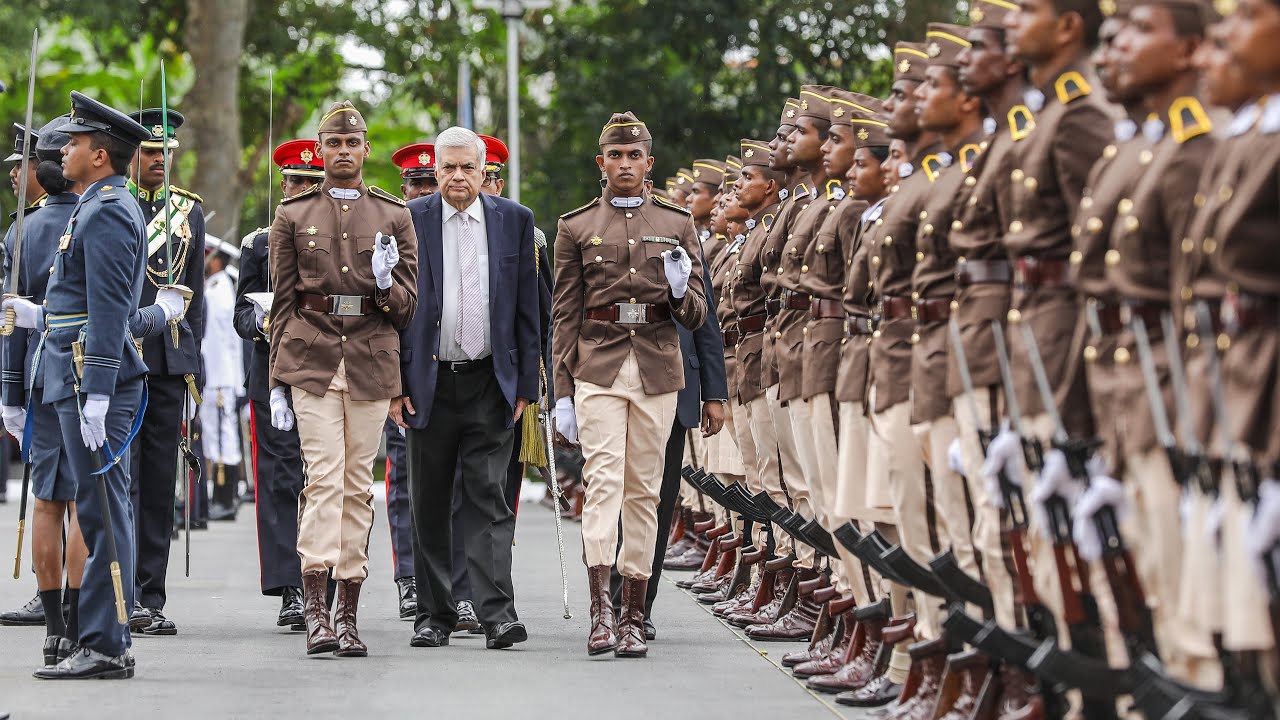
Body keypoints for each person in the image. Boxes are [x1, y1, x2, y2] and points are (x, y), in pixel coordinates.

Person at [5, 90, 154, 680]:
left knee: (102, 511)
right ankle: (100, 637)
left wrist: (97, 390)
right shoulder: (97, 205)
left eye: (74, 141)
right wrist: (38, 315)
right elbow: (79, 304)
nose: (62, 150)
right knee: (96, 510)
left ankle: (106, 643)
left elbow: (113, 311)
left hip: (93, 384)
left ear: (99, 155)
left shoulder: (110, 209)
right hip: (70, 374)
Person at [552, 111, 706, 659]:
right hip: (598, 364)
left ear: (648, 163)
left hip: (659, 368)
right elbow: (565, 316)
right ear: (601, 163)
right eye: (614, 156)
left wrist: (682, 291)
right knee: (603, 485)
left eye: (634, 155)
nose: (624, 164)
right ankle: (601, 613)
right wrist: (562, 394)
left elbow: (695, 316)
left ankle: (635, 615)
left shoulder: (678, 224)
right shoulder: (574, 228)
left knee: (645, 491)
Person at [267, 101, 417, 657]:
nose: (344, 152)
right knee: (323, 479)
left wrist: (383, 282)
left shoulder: (394, 216)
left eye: (353, 144)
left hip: (372, 360)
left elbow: (406, 306)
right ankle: (316, 614)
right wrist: (276, 381)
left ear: (366, 150)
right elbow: (281, 305)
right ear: (321, 149)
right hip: (311, 358)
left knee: (358, 486)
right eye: (335, 143)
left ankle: (349, 613)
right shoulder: (293, 214)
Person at [392, 125, 537, 651]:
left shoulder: (514, 221)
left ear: (484, 171)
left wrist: (526, 385)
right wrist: (393, 386)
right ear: (435, 168)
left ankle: (498, 613)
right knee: (428, 501)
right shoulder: (410, 218)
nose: (456, 177)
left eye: (467, 168)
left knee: (488, 499)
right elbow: (394, 314)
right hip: (426, 381)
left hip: (489, 381)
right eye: (446, 167)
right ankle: (434, 615)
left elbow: (527, 309)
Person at [1, 117, 85, 667]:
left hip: (37, 373)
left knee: (47, 500)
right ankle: (77, 621)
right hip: (89, 373)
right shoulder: (100, 217)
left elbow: (9, 321)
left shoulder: (20, 231)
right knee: (84, 504)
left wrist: (9, 391)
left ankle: (54, 628)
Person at [233, 138, 323, 631]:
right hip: (272, 375)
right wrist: (263, 321)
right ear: (282, 185)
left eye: (311, 183)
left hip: (326, 370)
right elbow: (240, 314)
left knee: (326, 477)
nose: (301, 190)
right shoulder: (258, 244)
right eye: (294, 182)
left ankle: (325, 576)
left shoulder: (339, 237)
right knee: (280, 478)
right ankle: (291, 588)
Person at [125, 107, 207, 637]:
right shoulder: (115, 202)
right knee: (116, 479)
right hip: (118, 355)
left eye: (166, 154)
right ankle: (113, 590)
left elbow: (194, 299)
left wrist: (190, 366)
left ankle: (150, 595)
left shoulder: (188, 213)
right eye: (151, 153)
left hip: (166, 361)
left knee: (157, 483)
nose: (160, 161)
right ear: (132, 154)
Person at [382, 141, 439, 622]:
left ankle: (449, 582)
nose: (424, 191)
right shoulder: (388, 231)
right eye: (416, 185)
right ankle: (407, 578)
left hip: (450, 370)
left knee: (452, 482)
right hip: (398, 372)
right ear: (404, 190)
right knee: (402, 479)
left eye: (430, 183)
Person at [0, 121, 49, 626]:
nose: (15, 175)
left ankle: (60, 588)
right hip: (41, 367)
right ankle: (54, 586)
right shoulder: (20, 226)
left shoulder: (33, 225)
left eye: (22, 166)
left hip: (51, 365)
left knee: (58, 490)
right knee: (51, 488)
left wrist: (10, 388)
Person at [201, 241, 244, 521]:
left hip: (218, 377)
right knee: (217, 436)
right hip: (218, 376)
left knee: (220, 437)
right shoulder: (217, 288)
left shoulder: (217, 292)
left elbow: (218, 341)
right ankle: (222, 497)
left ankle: (224, 498)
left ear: (215, 262)